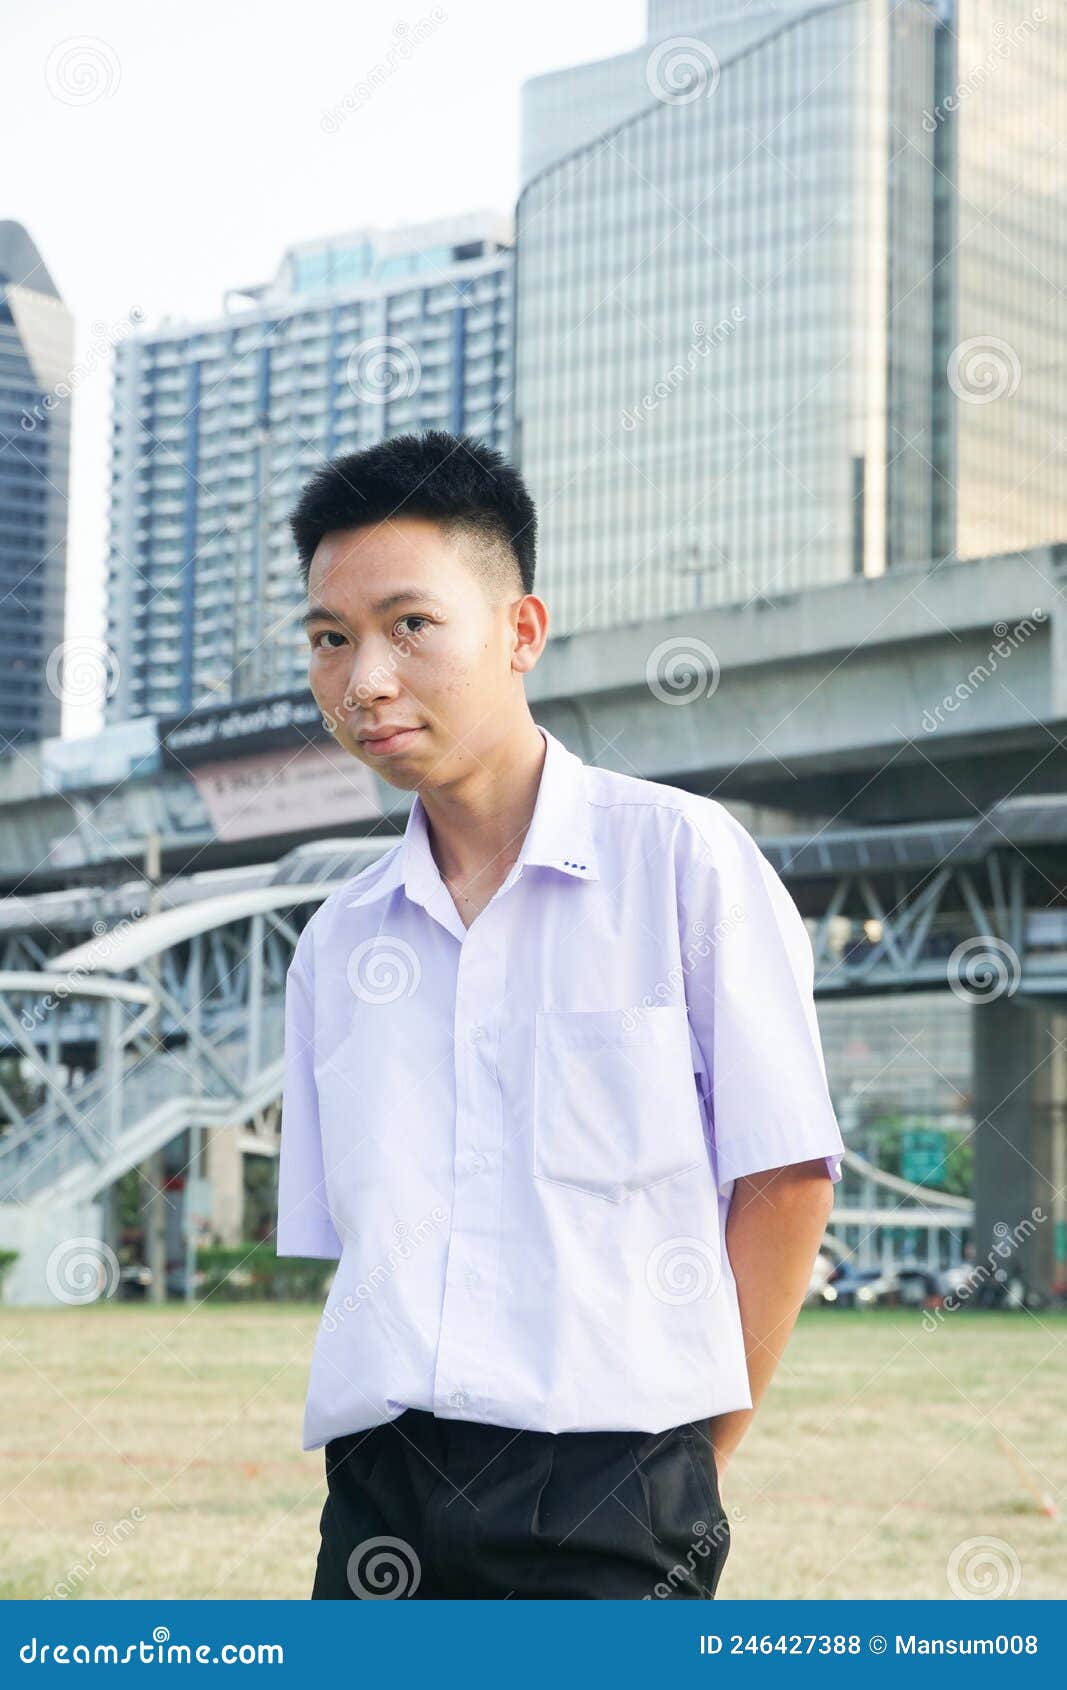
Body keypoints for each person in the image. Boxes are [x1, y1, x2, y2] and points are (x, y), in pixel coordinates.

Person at [276, 430, 843, 1600]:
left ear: (519, 631)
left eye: (408, 625)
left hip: (614, 1486)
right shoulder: (339, 941)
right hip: (380, 1490)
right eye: (331, 639)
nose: (363, 679)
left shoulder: (681, 862)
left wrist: (687, 1458)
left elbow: (784, 1179)